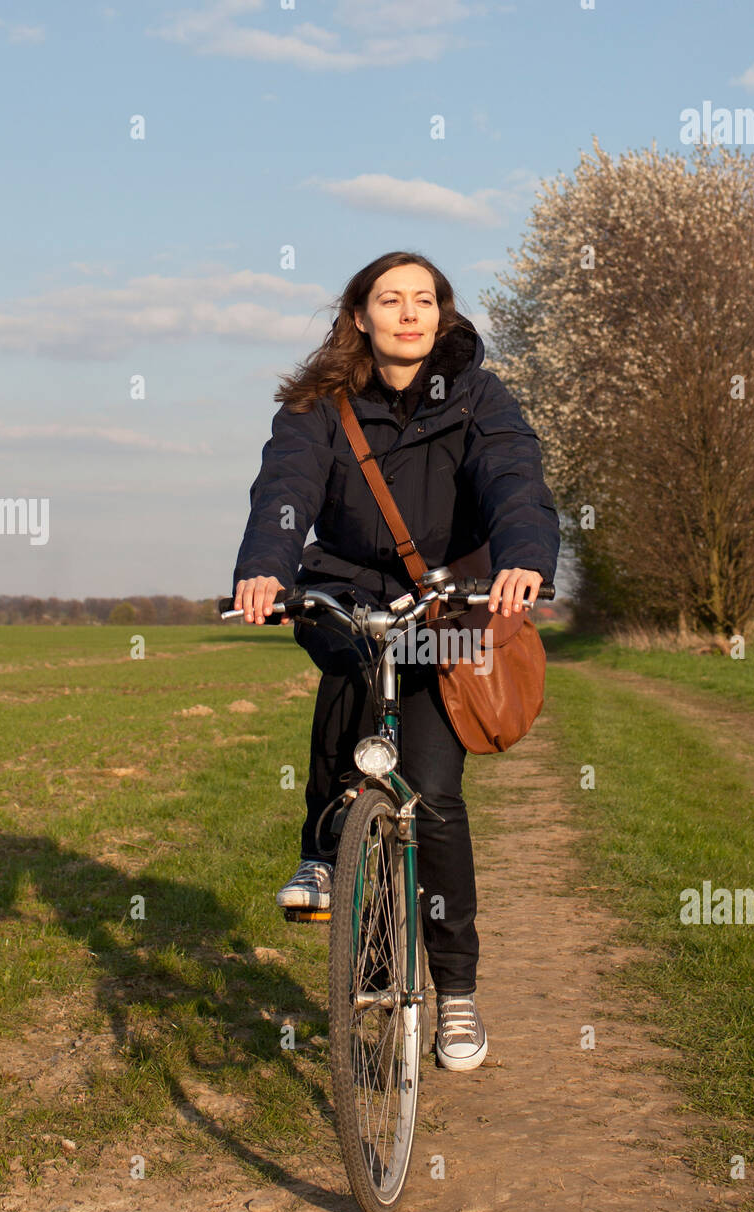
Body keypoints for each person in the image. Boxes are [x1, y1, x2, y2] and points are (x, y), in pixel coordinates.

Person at [231, 251, 559, 1070]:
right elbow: (286, 485)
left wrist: (523, 555)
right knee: (347, 653)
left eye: (424, 300)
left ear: (442, 315)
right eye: (390, 299)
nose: (408, 313)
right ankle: (320, 851)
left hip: (448, 602)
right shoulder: (320, 407)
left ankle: (454, 993)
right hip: (347, 588)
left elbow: (514, 476)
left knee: (433, 793)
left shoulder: (480, 396)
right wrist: (264, 565)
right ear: (360, 317)